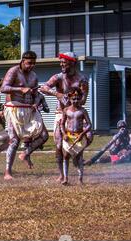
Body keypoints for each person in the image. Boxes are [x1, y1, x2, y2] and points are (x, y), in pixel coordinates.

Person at [40, 52, 90, 182]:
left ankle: (77, 158)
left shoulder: (82, 79)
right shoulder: (58, 77)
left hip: (77, 115)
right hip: (61, 113)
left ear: (72, 63)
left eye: (64, 62)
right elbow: (43, 88)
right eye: (60, 62)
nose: (61, 64)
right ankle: (62, 175)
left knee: (88, 137)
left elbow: (84, 100)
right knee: (58, 145)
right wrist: (57, 94)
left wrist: (74, 98)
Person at [1, 51, 49, 180]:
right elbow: (3, 88)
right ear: (22, 61)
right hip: (14, 107)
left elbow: (35, 93)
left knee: (44, 135)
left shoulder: (34, 76)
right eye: (29, 63)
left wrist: (36, 102)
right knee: (14, 141)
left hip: (29, 108)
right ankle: (7, 172)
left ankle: (26, 153)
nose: (31, 66)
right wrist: (19, 89)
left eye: (34, 63)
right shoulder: (13, 71)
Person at [60, 89, 93, 185]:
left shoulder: (83, 111)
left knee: (79, 157)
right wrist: (64, 134)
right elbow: (61, 124)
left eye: (78, 99)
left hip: (79, 136)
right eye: (73, 99)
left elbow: (89, 124)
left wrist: (82, 134)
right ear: (70, 99)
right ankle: (65, 179)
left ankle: (80, 179)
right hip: (68, 136)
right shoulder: (66, 110)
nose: (76, 101)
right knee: (66, 156)